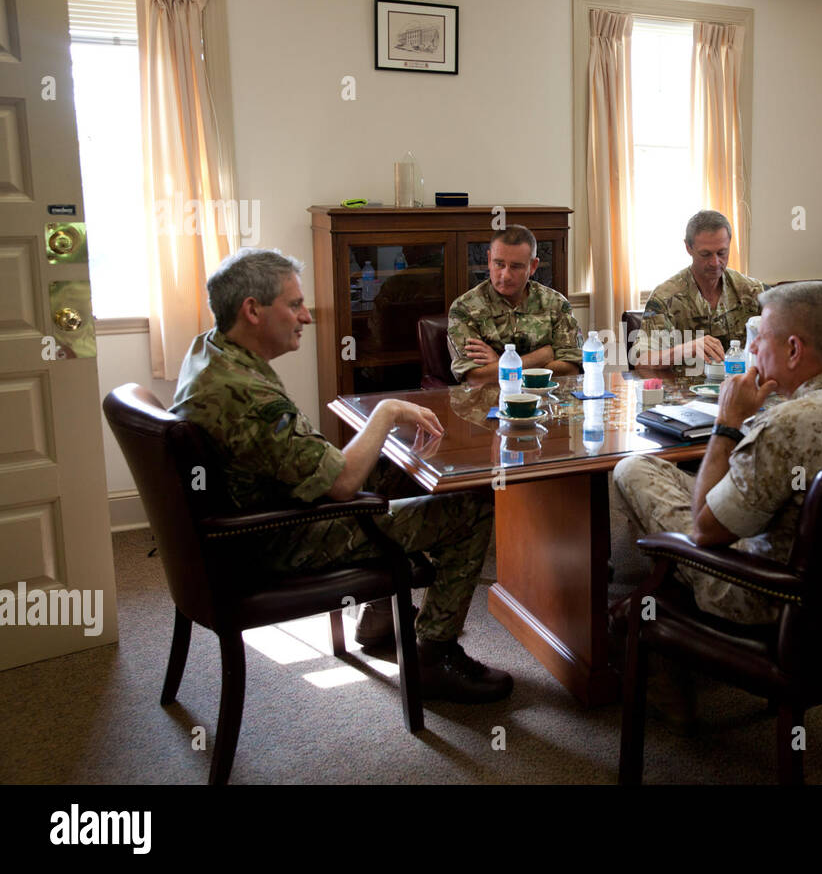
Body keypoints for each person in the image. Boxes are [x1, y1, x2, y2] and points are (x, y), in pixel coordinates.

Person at [171, 248, 512, 703]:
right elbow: (342, 485)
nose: (307, 317)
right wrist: (387, 411)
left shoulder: (209, 350)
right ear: (251, 310)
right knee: (470, 505)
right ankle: (435, 654)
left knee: (400, 466)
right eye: (294, 305)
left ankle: (376, 620)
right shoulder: (249, 396)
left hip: (248, 518)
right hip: (276, 538)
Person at [614, 281, 822, 626]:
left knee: (632, 469)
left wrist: (727, 424)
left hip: (766, 594)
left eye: (761, 335)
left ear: (793, 350)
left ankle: (664, 605)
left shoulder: (783, 427)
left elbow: (704, 531)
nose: (753, 346)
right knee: (662, 470)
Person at [446, 225, 582, 384]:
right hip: (488, 404)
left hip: (547, 402)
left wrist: (500, 364)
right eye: (499, 264)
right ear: (489, 260)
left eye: (516, 266)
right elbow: (476, 377)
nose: (505, 275)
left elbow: (571, 369)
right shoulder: (464, 308)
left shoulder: (556, 304)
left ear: (533, 266)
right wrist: (541, 356)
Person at [633, 210, 766, 368]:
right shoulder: (665, 298)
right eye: (706, 254)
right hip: (685, 390)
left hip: (740, 387)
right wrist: (684, 350)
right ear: (689, 248)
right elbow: (641, 361)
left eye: (722, 253)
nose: (715, 262)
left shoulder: (752, 291)